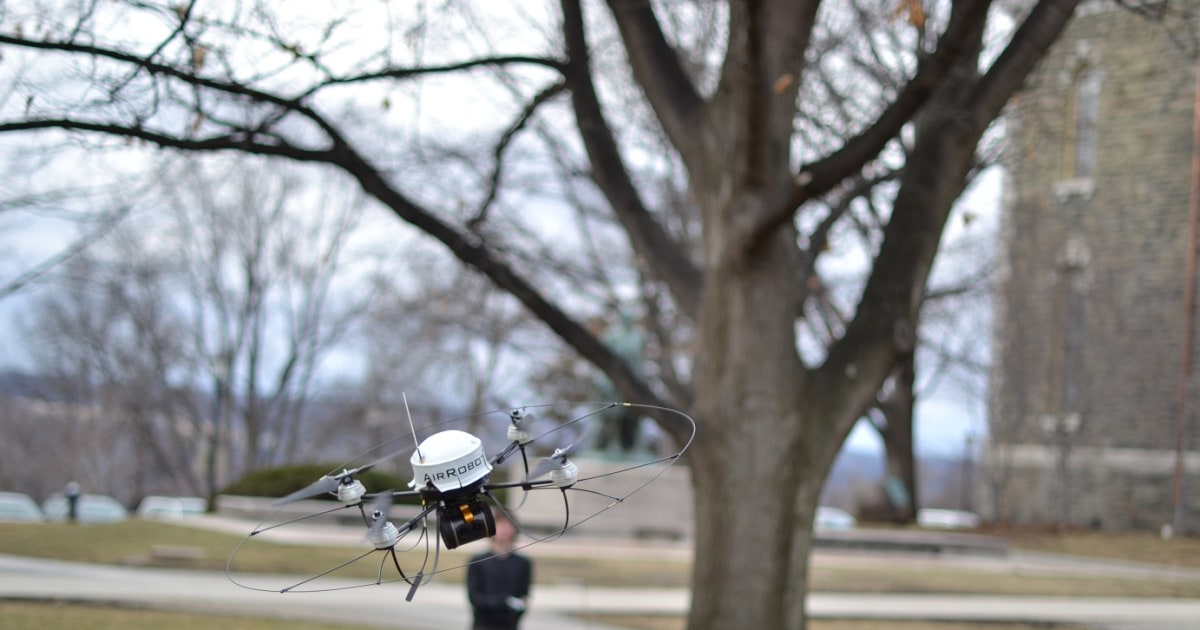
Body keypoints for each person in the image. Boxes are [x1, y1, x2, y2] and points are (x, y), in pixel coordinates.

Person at [466, 510, 532, 630]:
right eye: (500, 524)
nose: (504, 529)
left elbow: (524, 598)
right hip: (483, 625)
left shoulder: (523, 563)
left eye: (508, 524)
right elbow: (474, 598)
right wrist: (504, 602)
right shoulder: (477, 561)